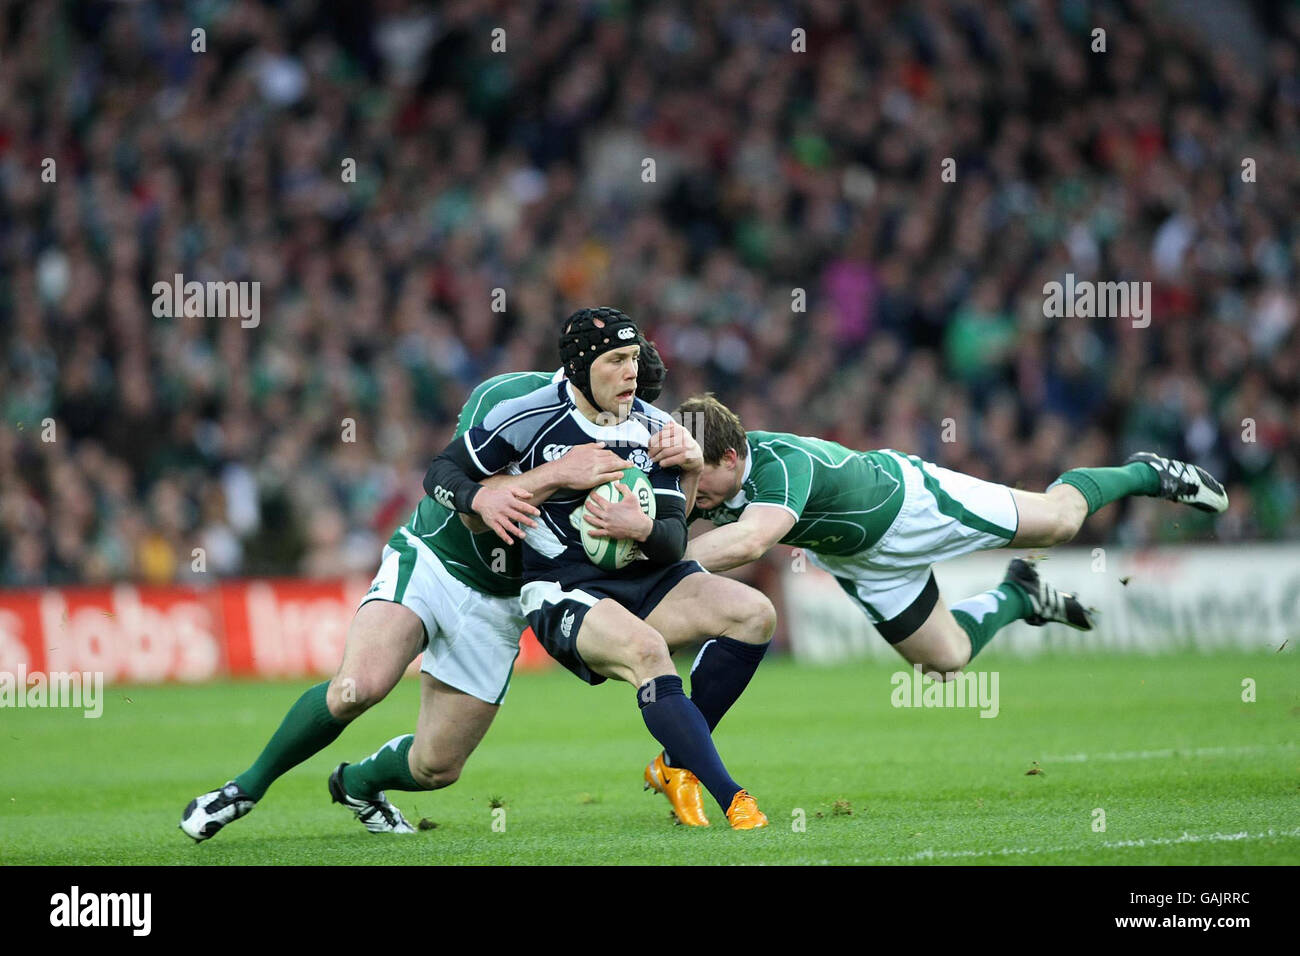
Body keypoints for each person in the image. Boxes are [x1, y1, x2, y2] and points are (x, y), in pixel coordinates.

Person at [179, 346, 665, 841]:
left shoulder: (636, 432)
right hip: (436, 561)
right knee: (356, 689)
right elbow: (470, 508)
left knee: (437, 768)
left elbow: (657, 524)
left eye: (636, 386)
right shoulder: (509, 397)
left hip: (502, 605)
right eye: (620, 372)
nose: (630, 397)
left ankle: (357, 784)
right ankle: (243, 789)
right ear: (587, 369)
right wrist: (559, 474)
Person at [424, 308, 775, 829]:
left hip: (645, 578)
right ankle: (733, 798)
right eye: (616, 360)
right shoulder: (528, 415)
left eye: (635, 358)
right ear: (582, 367)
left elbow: (673, 542)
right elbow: (441, 471)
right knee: (649, 652)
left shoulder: (657, 429)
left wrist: (641, 525)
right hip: (562, 587)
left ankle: (678, 763)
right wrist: (480, 501)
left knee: (756, 614)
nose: (632, 371)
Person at [675, 393, 1229, 675]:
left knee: (1059, 521)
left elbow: (750, 542)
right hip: (861, 562)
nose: (692, 488)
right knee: (945, 660)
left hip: (913, 504)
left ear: (730, 455)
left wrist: (666, 561)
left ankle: (1149, 472)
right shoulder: (699, 479)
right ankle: (1020, 595)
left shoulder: (780, 463)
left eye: (700, 473)